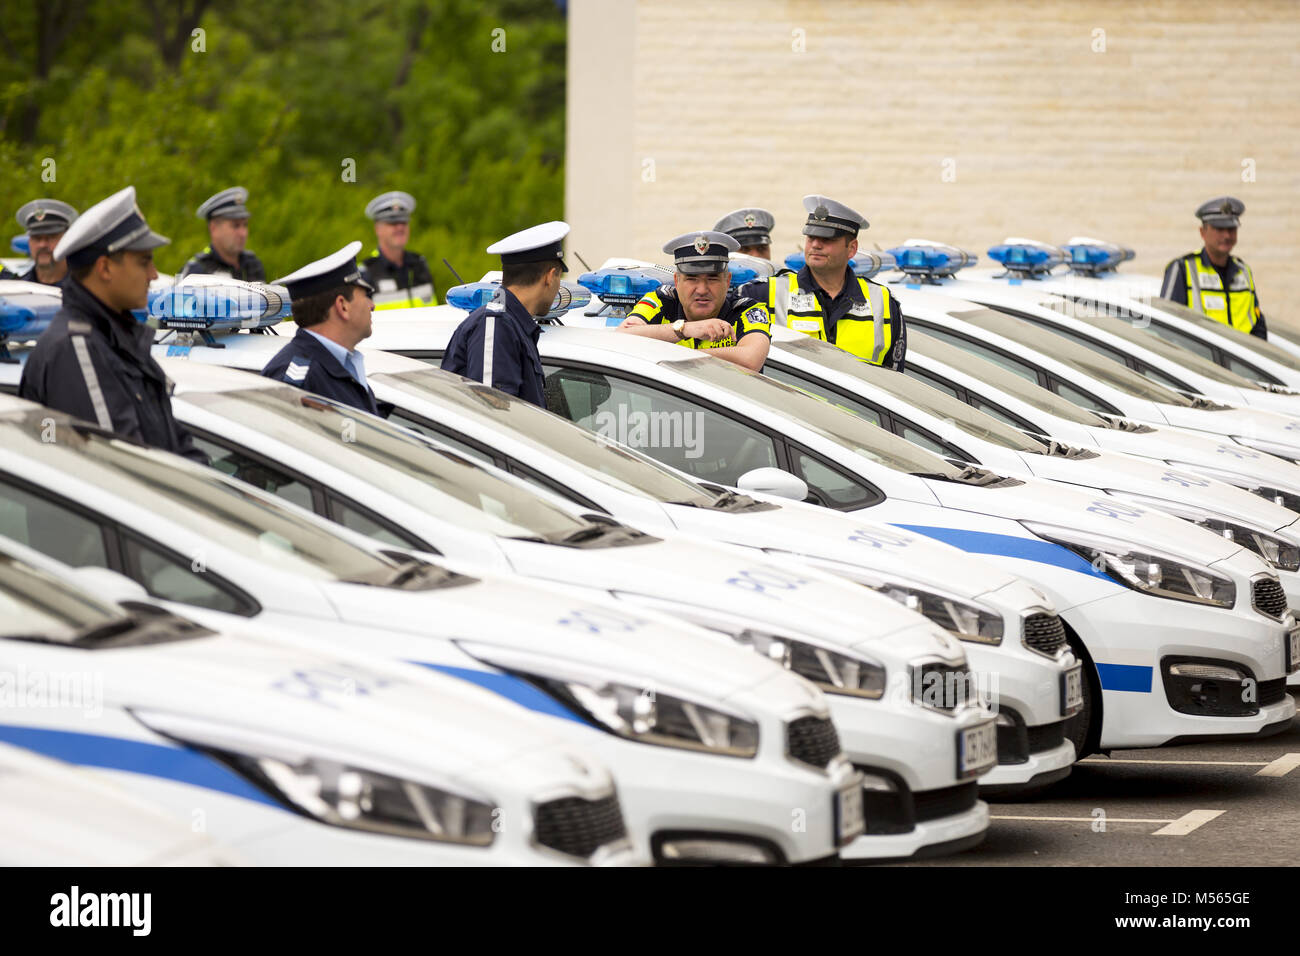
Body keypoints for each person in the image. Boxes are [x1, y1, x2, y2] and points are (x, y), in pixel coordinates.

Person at [18, 186, 206, 463]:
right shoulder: (76, 349)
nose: (153, 275)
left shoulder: (116, 338)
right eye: (144, 262)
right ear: (104, 268)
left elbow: (174, 443)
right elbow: (124, 469)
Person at [743, 195, 906, 370]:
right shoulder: (762, 294)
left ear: (851, 248)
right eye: (810, 237)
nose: (815, 245)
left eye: (826, 239)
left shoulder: (883, 302)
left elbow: (894, 379)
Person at [443, 221, 568, 407]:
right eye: (559, 277)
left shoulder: (511, 325)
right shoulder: (496, 325)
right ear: (550, 277)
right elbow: (492, 416)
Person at [260, 241, 387, 417]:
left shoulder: (339, 366)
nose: (372, 305)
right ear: (342, 306)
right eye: (365, 296)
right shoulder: (299, 379)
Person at [618, 231, 772, 372]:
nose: (702, 290)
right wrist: (684, 330)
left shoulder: (748, 310)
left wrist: (673, 357)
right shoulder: (661, 300)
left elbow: (751, 360)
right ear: (676, 281)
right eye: (692, 279)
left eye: (712, 278)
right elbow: (621, 337)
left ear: (727, 281)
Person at [1160, 196, 1266, 339]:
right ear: (1202, 232)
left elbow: (1257, 324)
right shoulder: (1182, 268)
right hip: (1200, 359)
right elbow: (1166, 327)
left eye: (1231, 229)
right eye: (1219, 229)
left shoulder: (1243, 270)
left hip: (1241, 359)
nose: (1227, 235)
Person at [360, 191, 437, 309]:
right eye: (393, 222)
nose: (400, 227)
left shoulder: (419, 264)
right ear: (377, 229)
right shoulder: (366, 272)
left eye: (403, 222)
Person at [178, 187, 266, 282]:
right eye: (235, 226)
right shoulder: (195, 271)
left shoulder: (253, 264)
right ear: (214, 228)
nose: (243, 233)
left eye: (245, 225)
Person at [7, 199, 78, 286]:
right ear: (29, 242)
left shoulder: (86, 288)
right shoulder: (17, 288)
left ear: (67, 240)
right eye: (37, 238)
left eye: (51, 237)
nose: (42, 244)